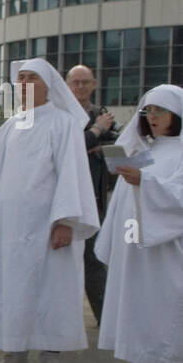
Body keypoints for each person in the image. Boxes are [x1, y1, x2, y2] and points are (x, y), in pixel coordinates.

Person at [0, 59, 101, 363]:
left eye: (32, 78)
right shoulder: (10, 127)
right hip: (9, 228)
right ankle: (14, 355)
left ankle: (49, 360)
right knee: (11, 290)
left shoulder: (63, 124)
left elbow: (71, 174)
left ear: (49, 85)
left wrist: (65, 221)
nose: (25, 83)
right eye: (21, 78)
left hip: (46, 227)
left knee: (49, 290)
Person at [94, 84, 183, 363]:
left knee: (170, 307)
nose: (154, 117)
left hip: (169, 249)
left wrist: (143, 182)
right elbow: (124, 198)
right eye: (149, 111)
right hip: (139, 248)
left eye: (161, 111)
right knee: (144, 306)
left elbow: (177, 197)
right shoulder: (148, 151)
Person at [67, 64, 118, 323]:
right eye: (75, 82)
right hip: (65, 196)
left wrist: (102, 148)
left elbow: (120, 146)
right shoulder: (61, 114)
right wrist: (94, 133)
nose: (80, 87)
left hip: (95, 195)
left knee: (93, 258)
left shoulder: (102, 114)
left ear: (94, 84)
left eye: (85, 82)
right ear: (67, 85)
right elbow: (69, 147)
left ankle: (106, 319)